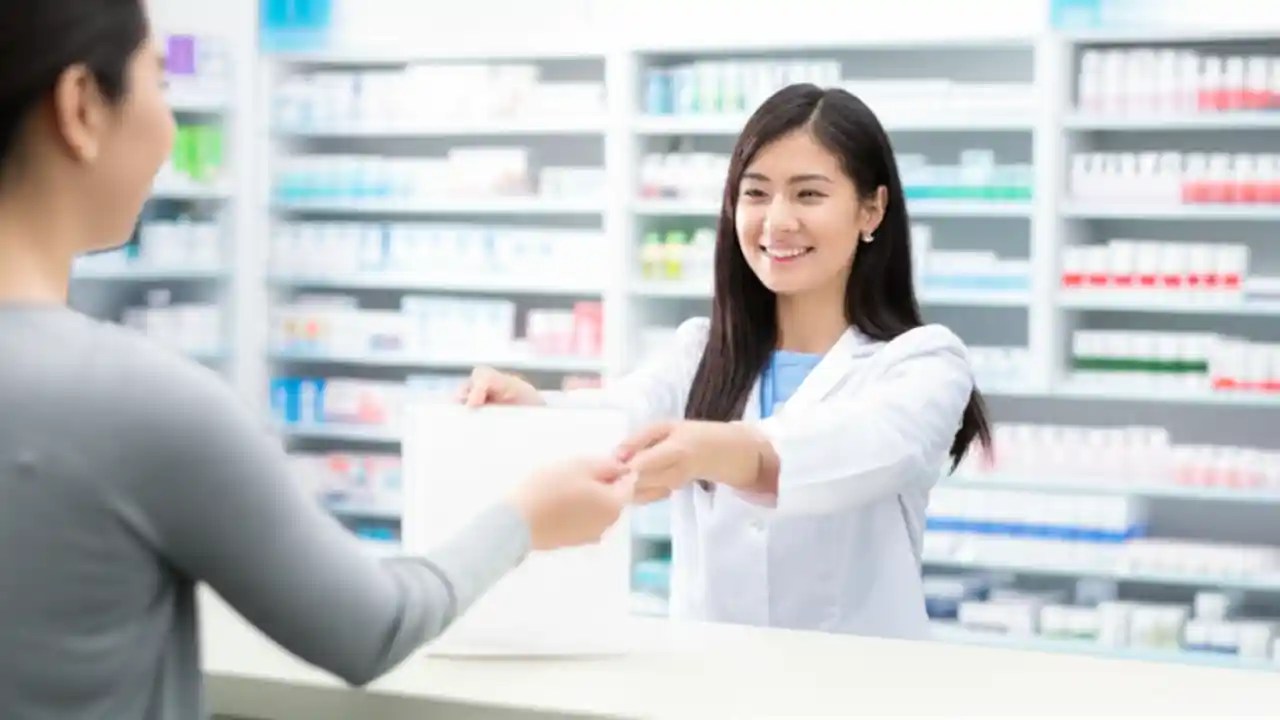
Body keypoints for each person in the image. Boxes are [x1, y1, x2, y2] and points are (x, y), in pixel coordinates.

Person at [0, 2, 633, 718]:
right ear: (81, 106)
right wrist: (525, 518)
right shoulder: (134, 400)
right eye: (160, 84)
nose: (171, 129)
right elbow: (370, 627)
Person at [463, 83, 993, 641]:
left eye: (809, 195)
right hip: (712, 686)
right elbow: (619, 414)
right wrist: (535, 408)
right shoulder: (701, 351)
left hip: (855, 693)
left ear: (871, 209)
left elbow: (860, 446)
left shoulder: (924, 363)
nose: (777, 221)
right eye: (756, 193)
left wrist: (712, 450)